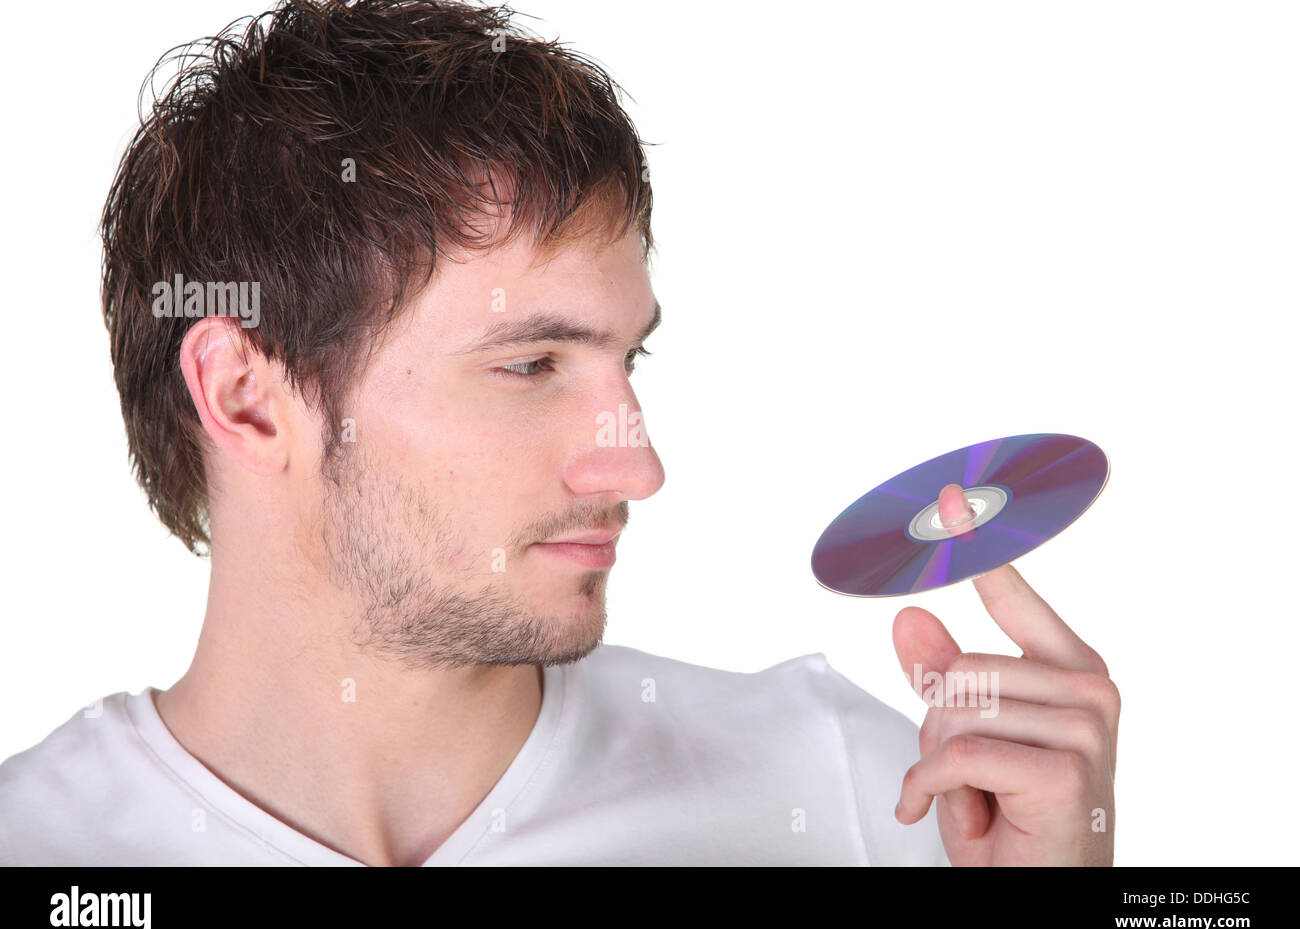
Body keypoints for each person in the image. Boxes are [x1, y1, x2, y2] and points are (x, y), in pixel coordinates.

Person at [0, 0, 1118, 866]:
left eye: (624, 360)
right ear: (247, 398)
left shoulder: (872, 788)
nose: (636, 462)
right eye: (531, 364)